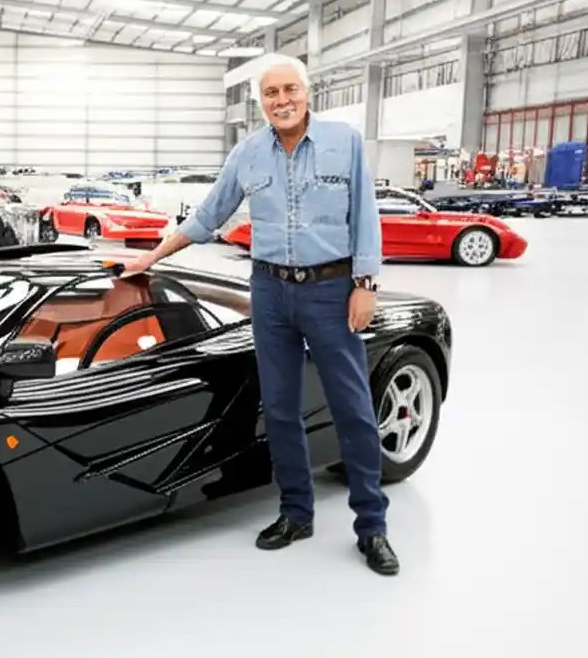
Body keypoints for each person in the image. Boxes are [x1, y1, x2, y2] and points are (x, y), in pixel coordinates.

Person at [122, 54, 399, 576]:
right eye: (271, 94)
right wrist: (151, 258)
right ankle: (296, 512)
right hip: (270, 293)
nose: (282, 101)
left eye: (290, 89)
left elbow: (365, 212)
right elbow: (209, 215)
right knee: (279, 407)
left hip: (331, 290)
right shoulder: (248, 154)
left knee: (353, 409)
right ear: (261, 102)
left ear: (307, 91)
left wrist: (365, 284)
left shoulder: (345, 142)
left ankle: (372, 527)